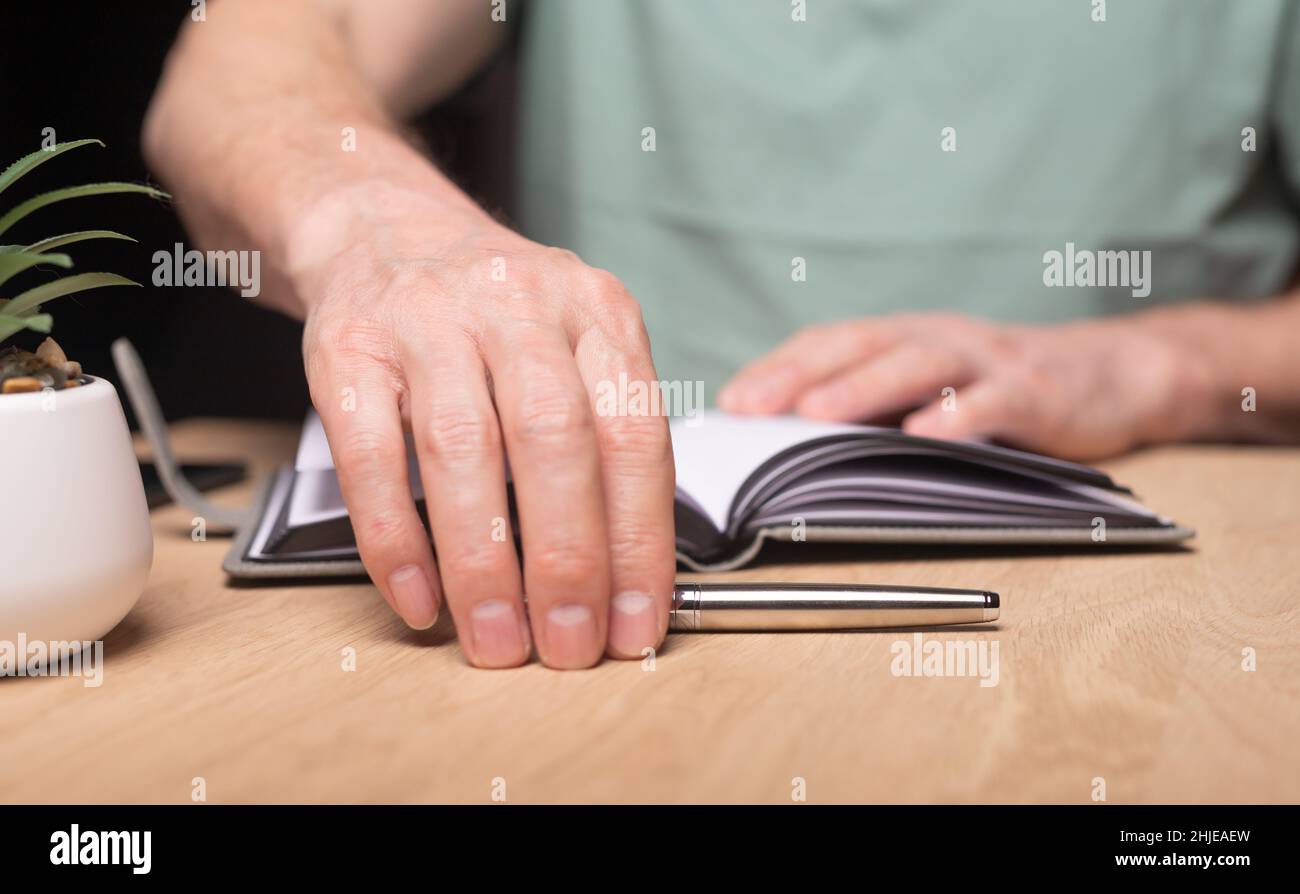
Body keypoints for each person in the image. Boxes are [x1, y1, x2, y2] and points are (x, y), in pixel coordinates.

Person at [144, 0, 1300, 669]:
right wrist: (377, 223)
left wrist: (1169, 366)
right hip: (573, 599)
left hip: (1144, 599)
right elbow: (239, 67)